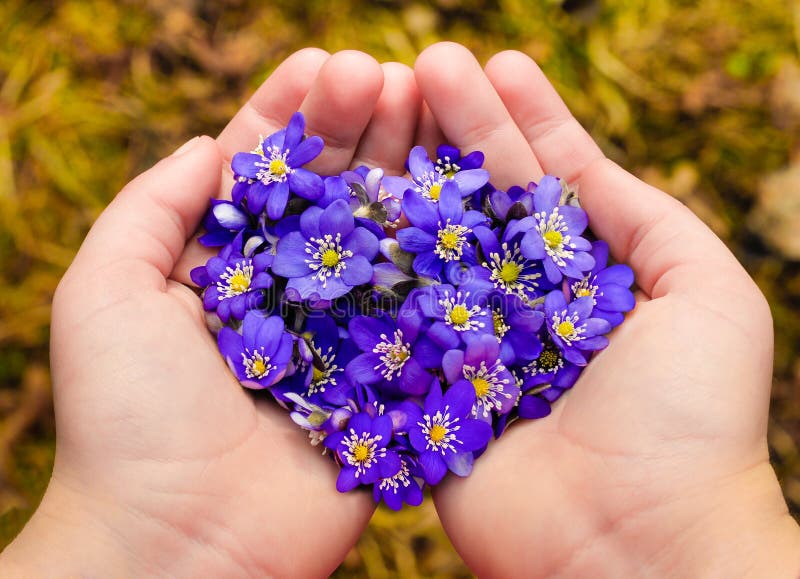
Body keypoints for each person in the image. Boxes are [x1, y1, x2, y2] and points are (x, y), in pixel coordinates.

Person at [1, 42, 798, 577]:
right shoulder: (320, 303)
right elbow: (377, 334)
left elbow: (440, 353)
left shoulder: (485, 328)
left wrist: (690, 517)